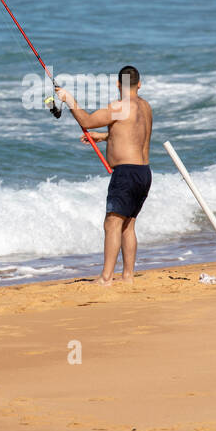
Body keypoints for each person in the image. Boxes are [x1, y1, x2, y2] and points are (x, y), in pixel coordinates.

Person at [55, 66, 153, 286]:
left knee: (112, 224)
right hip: (143, 172)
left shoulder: (119, 107)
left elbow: (87, 121)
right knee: (128, 225)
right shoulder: (145, 107)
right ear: (139, 84)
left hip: (126, 174)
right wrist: (106, 136)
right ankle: (128, 276)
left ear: (118, 85)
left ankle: (106, 278)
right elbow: (134, 132)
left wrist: (69, 99)